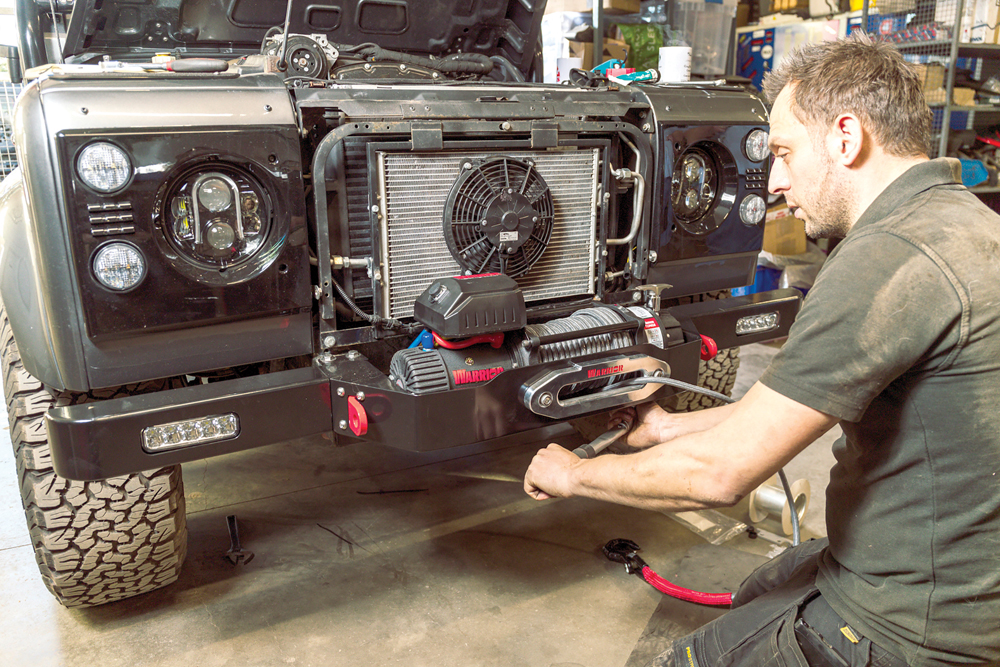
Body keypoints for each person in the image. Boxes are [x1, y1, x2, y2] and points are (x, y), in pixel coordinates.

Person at [523, 32, 1000, 667]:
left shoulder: (888, 258)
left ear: (846, 138)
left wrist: (572, 474)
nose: (773, 180)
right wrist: (664, 428)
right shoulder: (964, 223)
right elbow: (790, 407)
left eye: (783, 151)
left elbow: (720, 475)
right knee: (759, 587)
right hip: (962, 585)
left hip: (909, 625)